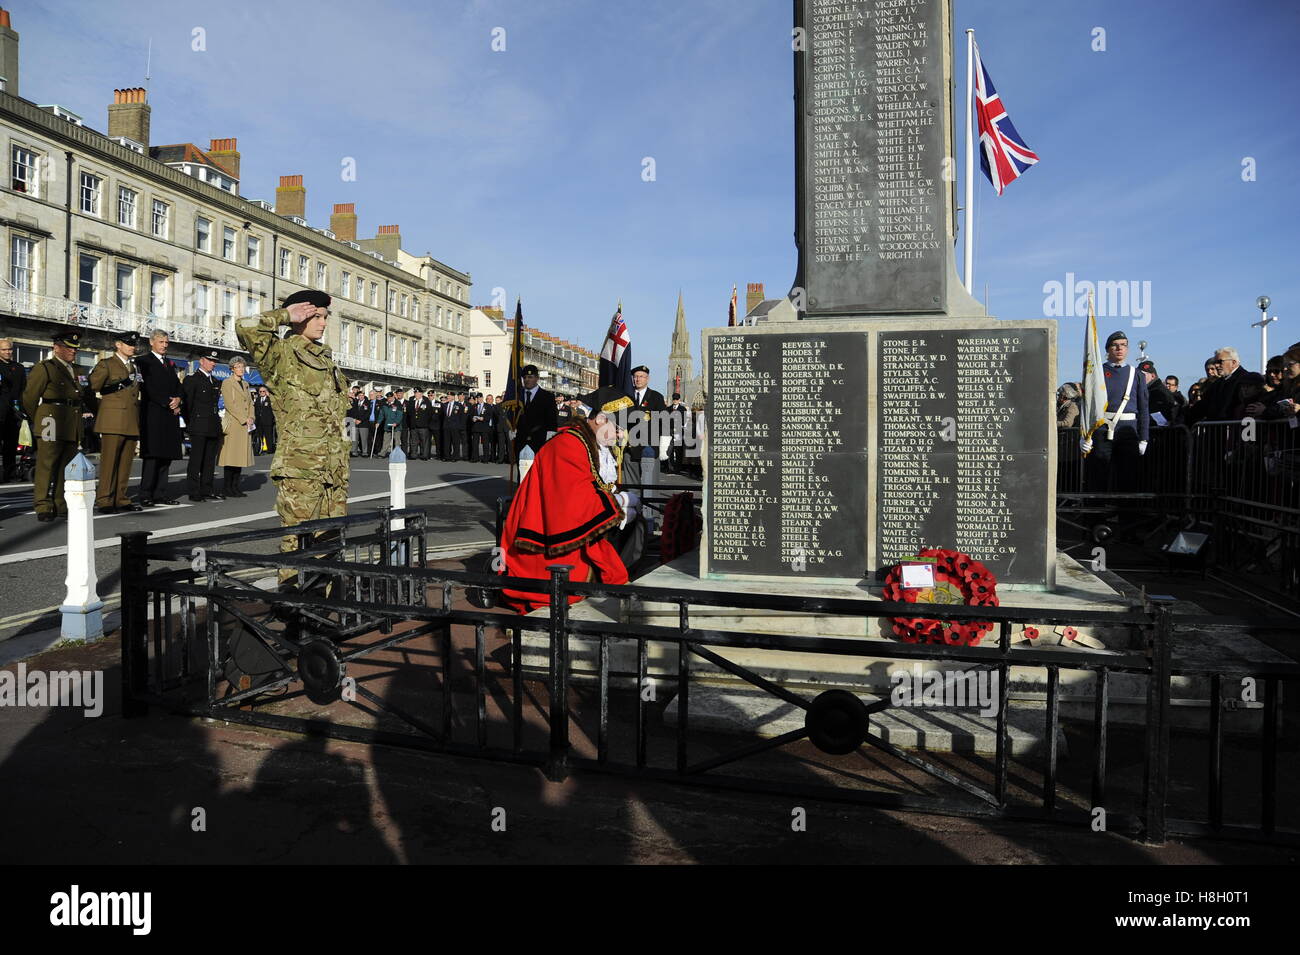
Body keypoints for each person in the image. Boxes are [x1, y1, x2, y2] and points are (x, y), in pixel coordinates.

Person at [236, 290, 351, 583]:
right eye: (316, 316)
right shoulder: (281, 355)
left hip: (333, 469)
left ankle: (325, 604)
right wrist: (286, 315)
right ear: (300, 314)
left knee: (330, 541)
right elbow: (245, 325)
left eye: (325, 317)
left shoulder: (327, 361)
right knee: (296, 540)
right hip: (301, 467)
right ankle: (292, 605)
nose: (323, 323)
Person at [500, 386, 635, 613]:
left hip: (562, 518)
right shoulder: (569, 444)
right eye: (617, 427)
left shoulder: (587, 440)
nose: (619, 434)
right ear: (600, 420)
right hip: (542, 534)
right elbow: (574, 501)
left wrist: (617, 501)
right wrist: (618, 504)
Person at [22, 329, 88, 522]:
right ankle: (43, 504)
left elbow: (86, 396)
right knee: (47, 464)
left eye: (75, 349)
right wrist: (39, 419)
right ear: (56, 348)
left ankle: (60, 503)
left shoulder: (78, 370)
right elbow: (29, 397)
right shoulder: (46, 368)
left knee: (65, 465)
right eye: (68, 348)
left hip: (71, 420)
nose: (73, 351)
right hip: (50, 418)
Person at [1081, 331, 1148, 493]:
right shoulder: (1097, 372)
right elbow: (1087, 403)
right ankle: (1097, 516)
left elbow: (1144, 408)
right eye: (1115, 345)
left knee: (1128, 476)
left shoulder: (1136, 374)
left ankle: (1125, 516)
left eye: (1123, 345)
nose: (1119, 348)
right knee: (1098, 475)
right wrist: (1084, 435)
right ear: (1108, 349)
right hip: (1102, 429)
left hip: (1128, 431)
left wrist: (1144, 438)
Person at [87, 330, 144, 513]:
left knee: (126, 463)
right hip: (112, 420)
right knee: (109, 462)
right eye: (129, 344)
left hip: (130, 420)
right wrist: (100, 411)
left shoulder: (134, 368)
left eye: (134, 344)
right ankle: (104, 499)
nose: (133, 347)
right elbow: (92, 387)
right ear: (118, 345)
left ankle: (121, 498)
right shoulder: (107, 364)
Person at [135, 329, 184, 506]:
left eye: (166, 342)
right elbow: (146, 387)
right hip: (153, 413)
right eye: (161, 342)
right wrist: (166, 401)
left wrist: (178, 399)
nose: (164, 345)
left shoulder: (170, 364)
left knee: (166, 456)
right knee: (153, 456)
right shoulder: (143, 361)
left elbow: (178, 385)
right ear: (152, 342)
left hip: (170, 415)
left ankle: (160, 493)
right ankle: (146, 493)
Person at [181, 349, 225, 502]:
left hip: (212, 425)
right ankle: (194, 491)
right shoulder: (192, 380)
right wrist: (190, 423)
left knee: (209, 461)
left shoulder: (215, 381)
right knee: (196, 459)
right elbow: (187, 405)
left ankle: (207, 489)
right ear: (201, 361)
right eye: (210, 360)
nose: (213, 363)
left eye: (215, 361)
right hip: (198, 424)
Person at [622, 364, 668, 488]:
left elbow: (664, 421)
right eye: (636, 376)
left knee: (650, 488)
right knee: (632, 487)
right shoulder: (625, 396)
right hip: (630, 447)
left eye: (641, 376)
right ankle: (633, 507)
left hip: (649, 447)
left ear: (647, 379)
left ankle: (650, 508)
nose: (638, 379)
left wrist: (663, 445)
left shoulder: (656, 397)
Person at [218, 356, 255, 497]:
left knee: (239, 458)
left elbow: (250, 403)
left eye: (242, 367)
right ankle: (227, 487)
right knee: (231, 457)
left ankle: (235, 486)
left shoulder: (245, 383)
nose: (241, 369)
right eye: (238, 367)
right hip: (234, 423)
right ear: (232, 369)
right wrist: (243, 418)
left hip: (246, 424)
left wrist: (251, 417)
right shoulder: (227, 383)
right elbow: (229, 404)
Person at [512, 365, 557, 460]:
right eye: (525, 377)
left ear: (537, 378)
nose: (527, 380)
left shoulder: (547, 397)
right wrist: (511, 428)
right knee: (522, 472)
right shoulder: (516, 396)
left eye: (530, 377)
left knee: (538, 472)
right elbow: (511, 415)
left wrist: (550, 436)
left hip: (539, 439)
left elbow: (552, 419)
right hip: (521, 439)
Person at [0, 338, 27, 483]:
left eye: (9, 349)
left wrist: (23, 410)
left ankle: (9, 474)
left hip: (14, 412)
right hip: (0, 411)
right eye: (4, 349)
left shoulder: (19, 368)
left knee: (11, 446)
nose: (7, 352)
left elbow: (24, 389)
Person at [1137, 360, 1178, 427]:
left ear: (1153, 376)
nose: (1138, 378)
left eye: (1142, 375)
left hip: (1158, 433)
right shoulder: (1147, 391)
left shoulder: (1159, 393)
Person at [254, 385, 278, 455]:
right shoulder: (258, 399)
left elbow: (275, 406)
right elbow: (255, 410)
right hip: (259, 421)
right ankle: (259, 449)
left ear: (266, 392)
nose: (262, 392)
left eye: (263, 391)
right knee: (259, 436)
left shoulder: (269, 399)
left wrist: (270, 396)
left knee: (268, 436)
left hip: (267, 421)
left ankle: (270, 450)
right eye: (260, 391)